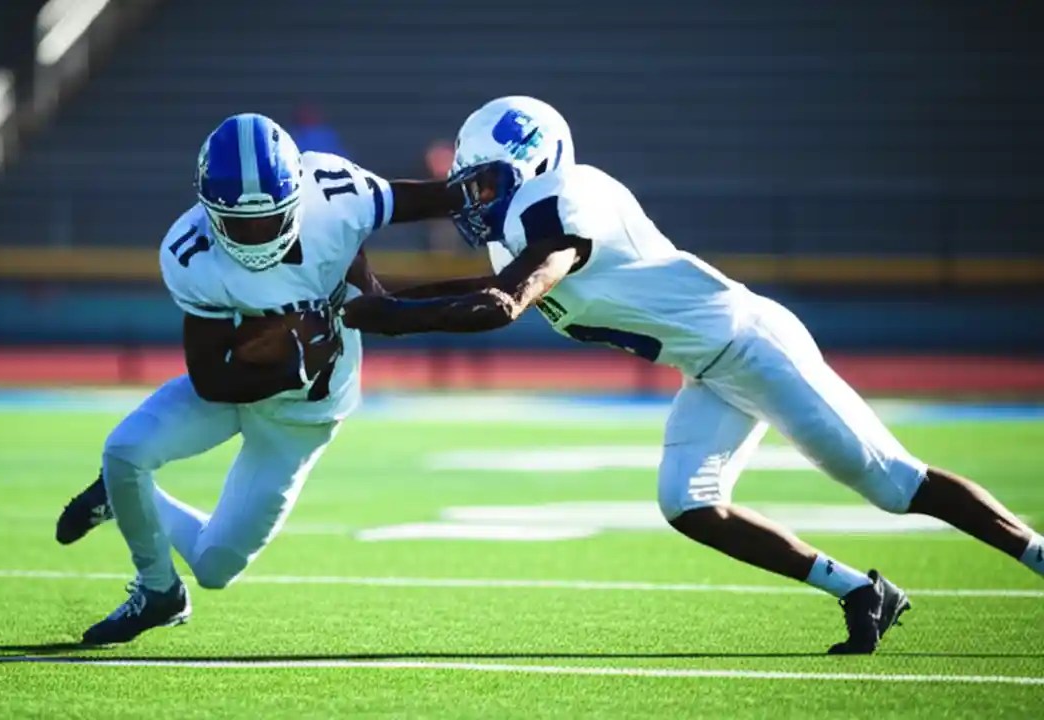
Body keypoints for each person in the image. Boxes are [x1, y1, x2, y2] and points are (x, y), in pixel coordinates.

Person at [341, 95, 1044, 654]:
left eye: (485, 182)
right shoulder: (519, 229)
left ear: (535, 163)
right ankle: (863, 592)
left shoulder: (567, 195)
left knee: (894, 484)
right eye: (470, 185)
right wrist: (376, 300)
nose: (475, 199)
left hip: (752, 345)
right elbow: (475, 285)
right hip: (708, 369)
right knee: (689, 502)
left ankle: (1037, 555)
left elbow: (500, 304)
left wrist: (385, 319)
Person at [55, 112, 457, 645]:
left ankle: (127, 500)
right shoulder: (193, 253)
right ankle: (157, 591)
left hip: (301, 420)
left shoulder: (333, 194)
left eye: (266, 219)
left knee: (215, 566)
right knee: (125, 450)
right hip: (234, 388)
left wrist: (484, 192)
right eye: (238, 222)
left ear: (296, 196)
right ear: (208, 209)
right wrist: (290, 362)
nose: (252, 233)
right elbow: (207, 377)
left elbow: (416, 201)